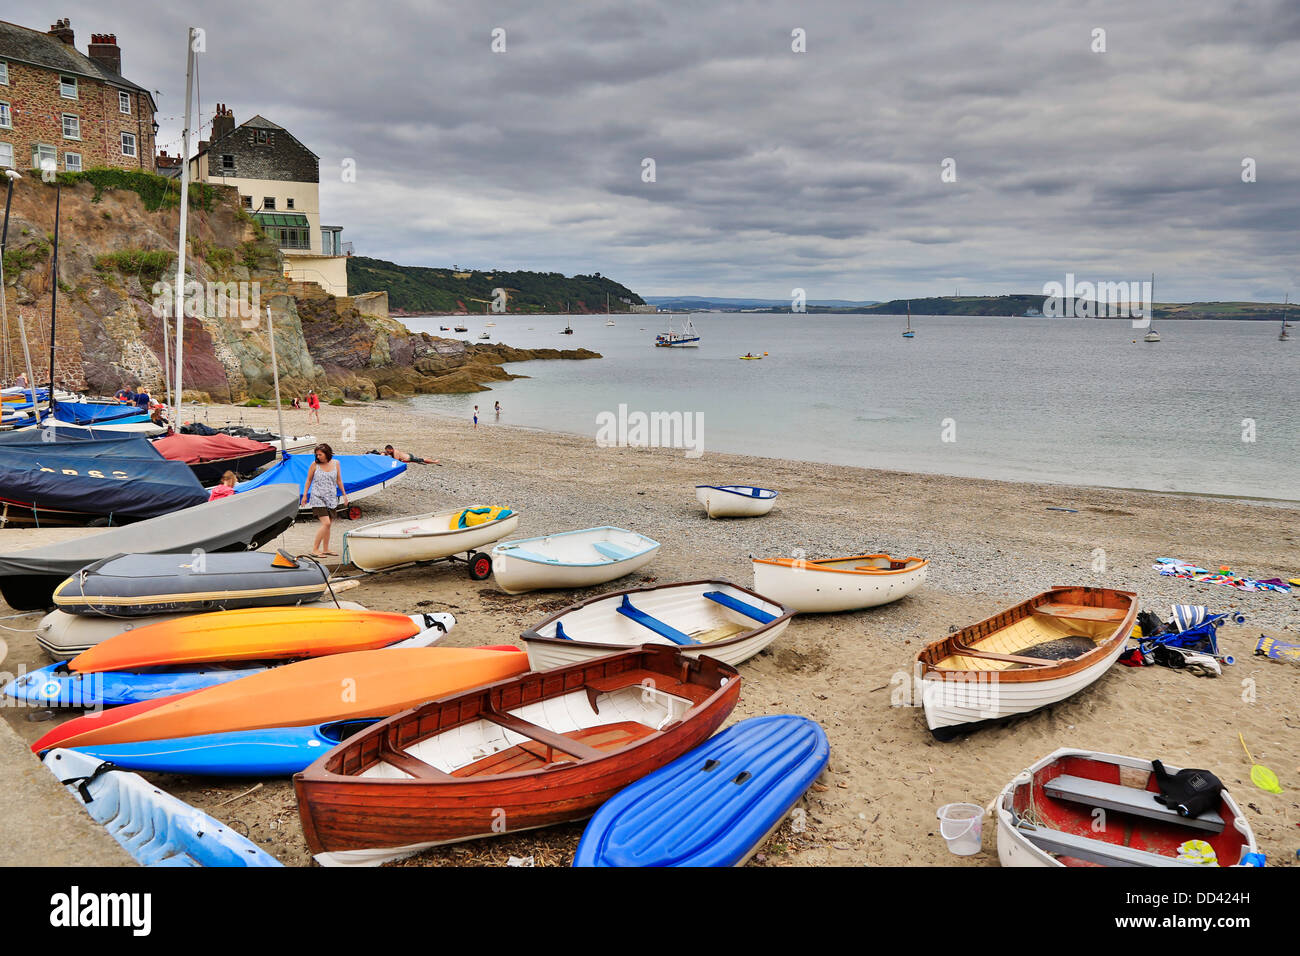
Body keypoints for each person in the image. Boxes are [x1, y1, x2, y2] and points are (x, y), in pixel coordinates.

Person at [302, 443, 347, 557]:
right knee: (326, 523)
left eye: (320, 455)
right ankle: (315, 549)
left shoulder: (336, 463)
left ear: (327, 454)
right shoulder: (314, 465)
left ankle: (326, 549)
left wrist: (344, 495)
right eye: (316, 455)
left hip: (331, 497)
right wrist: (305, 495)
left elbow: (339, 480)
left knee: (329, 524)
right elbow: (308, 480)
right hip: (317, 497)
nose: (317, 457)